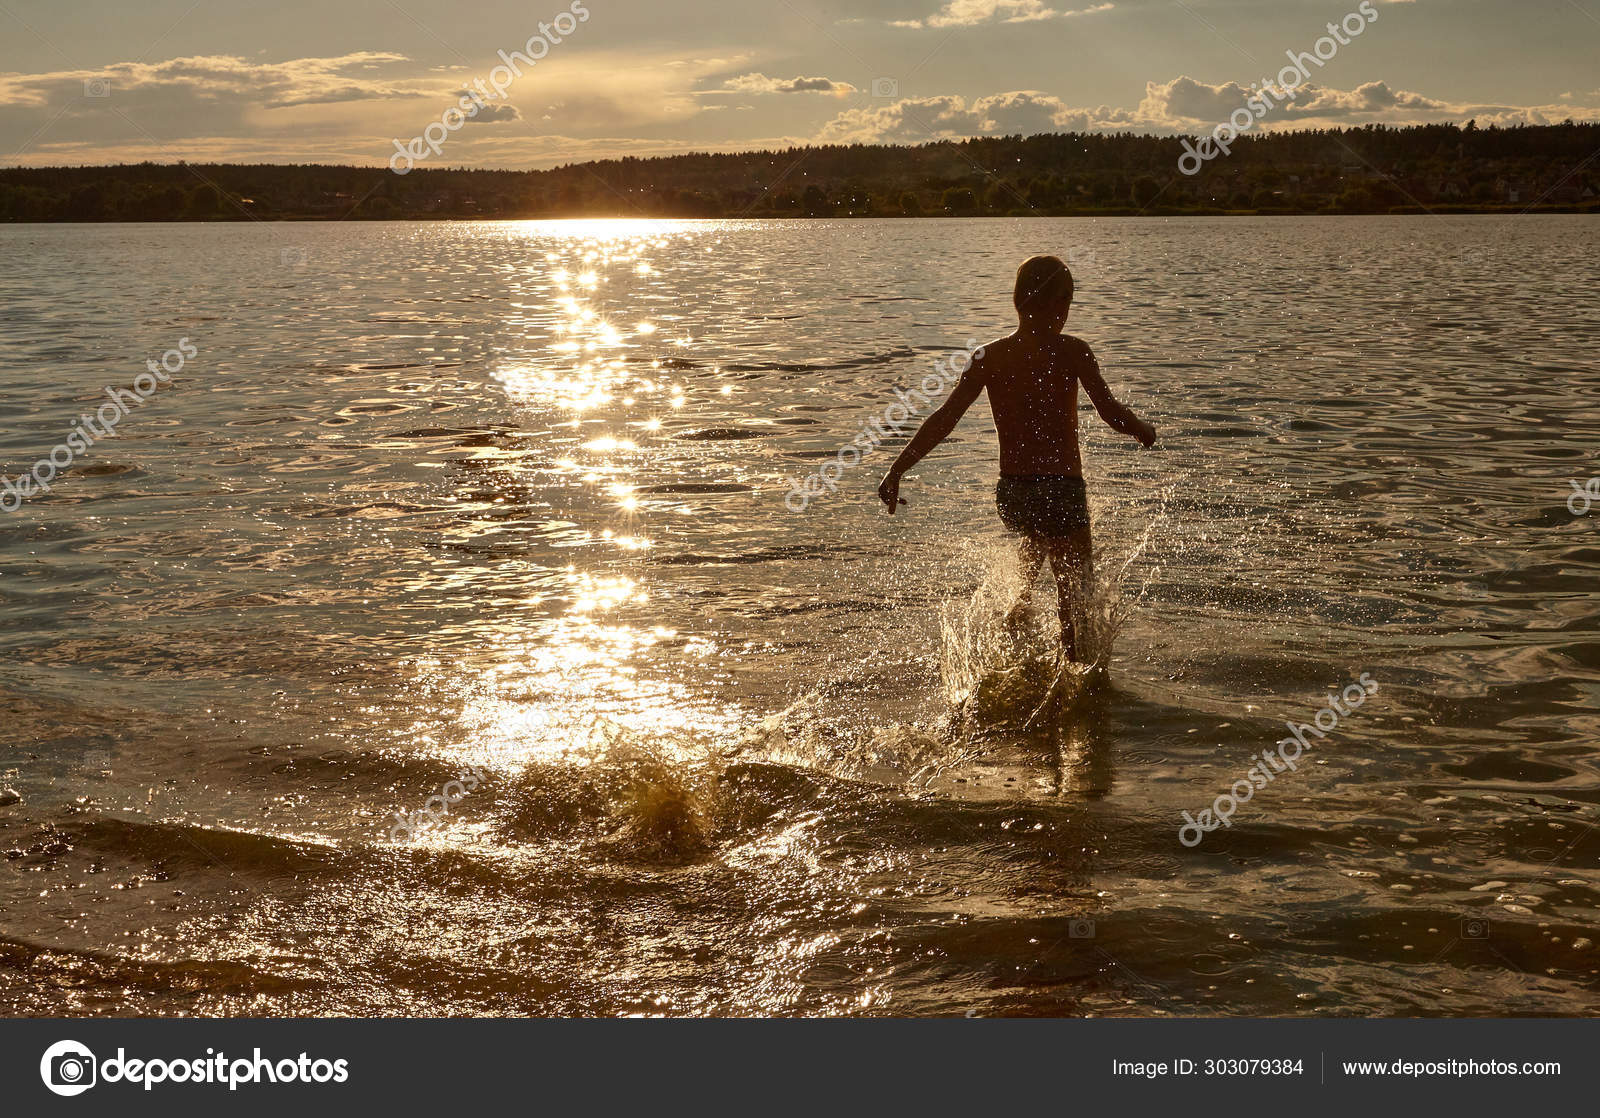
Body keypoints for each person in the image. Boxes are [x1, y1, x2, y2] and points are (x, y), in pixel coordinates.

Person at [877, 254, 1156, 661]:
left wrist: (896, 468)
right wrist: (1142, 430)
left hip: (1013, 494)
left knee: (1035, 543)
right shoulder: (1073, 351)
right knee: (1075, 599)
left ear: (1017, 300)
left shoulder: (990, 356)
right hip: (1061, 490)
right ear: (1058, 303)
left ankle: (1014, 625)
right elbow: (1110, 412)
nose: (1066, 311)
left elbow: (944, 419)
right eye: (1067, 301)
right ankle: (1075, 685)